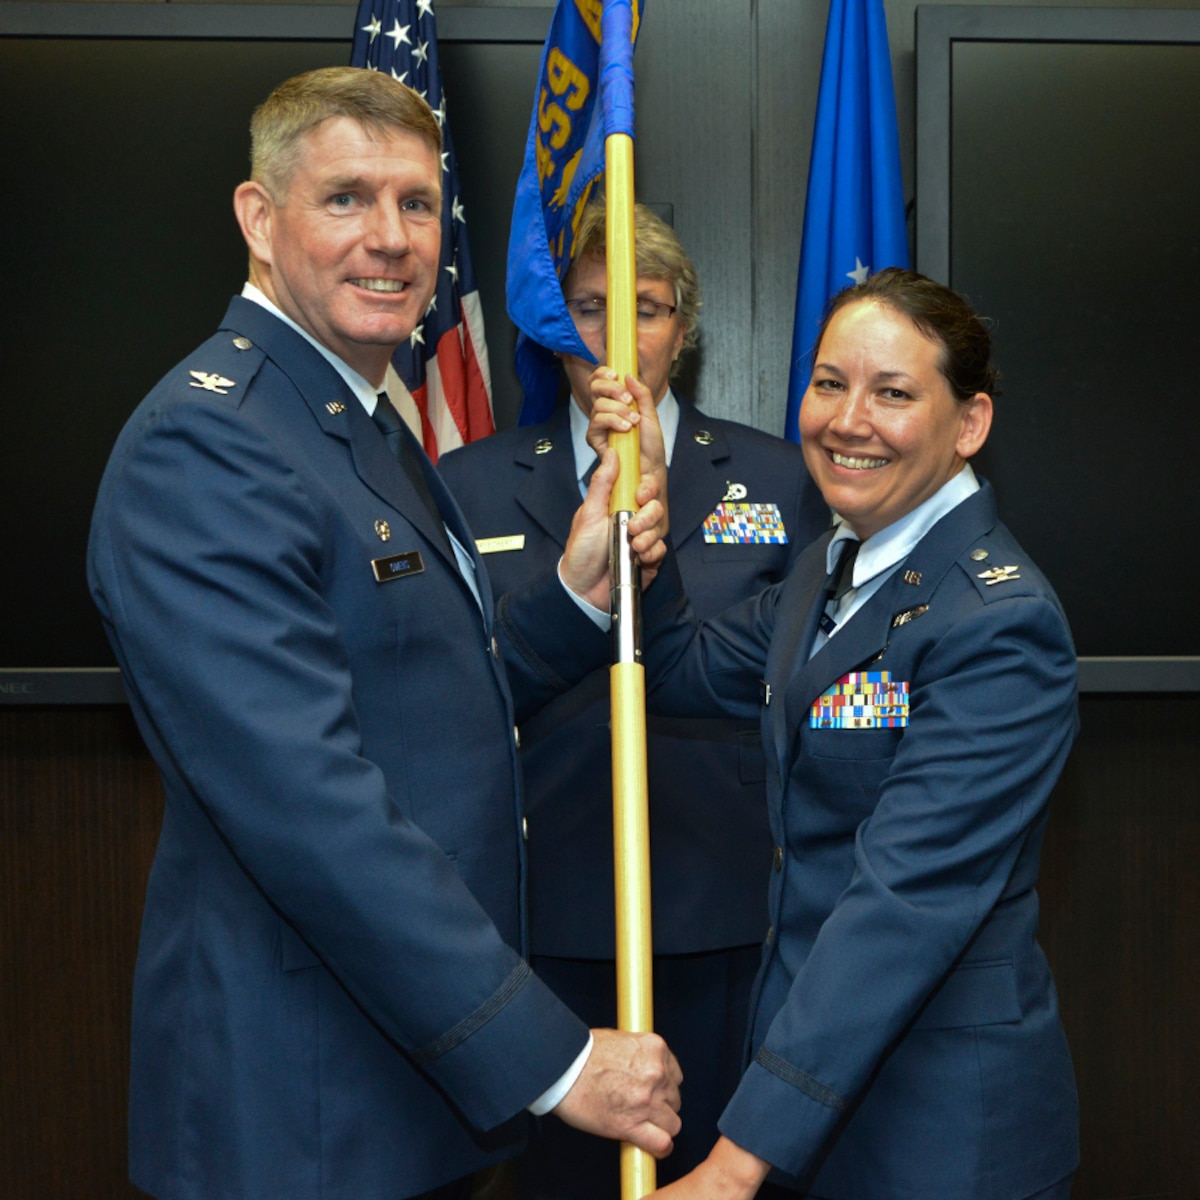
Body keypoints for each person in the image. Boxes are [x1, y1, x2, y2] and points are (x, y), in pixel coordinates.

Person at [86, 67, 681, 1200]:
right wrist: (554, 1061)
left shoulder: (348, 421)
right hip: (303, 1111)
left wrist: (576, 593)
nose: (393, 239)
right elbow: (310, 806)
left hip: (401, 1097)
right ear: (261, 222)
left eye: (416, 203)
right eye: (348, 199)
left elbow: (424, 695)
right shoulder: (211, 446)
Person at [599, 268, 1080, 1198]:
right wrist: (641, 523)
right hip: (815, 1115)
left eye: (893, 393)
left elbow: (901, 906)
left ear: (969, 424)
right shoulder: (834, 562)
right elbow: (686, 667)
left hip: (939, 1139)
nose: (847, 420)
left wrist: (737, 1163)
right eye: (829, 383)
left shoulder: (996, 623)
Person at [440, 202, 829, 1194]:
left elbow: (791, 674)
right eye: (589, 308)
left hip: (725, 908)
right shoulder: (469, 482)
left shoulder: (780, 479)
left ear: (684, 331)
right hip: (542, 921)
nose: (618, 337)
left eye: (645, 310)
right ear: (547, 326)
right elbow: (450, 687)